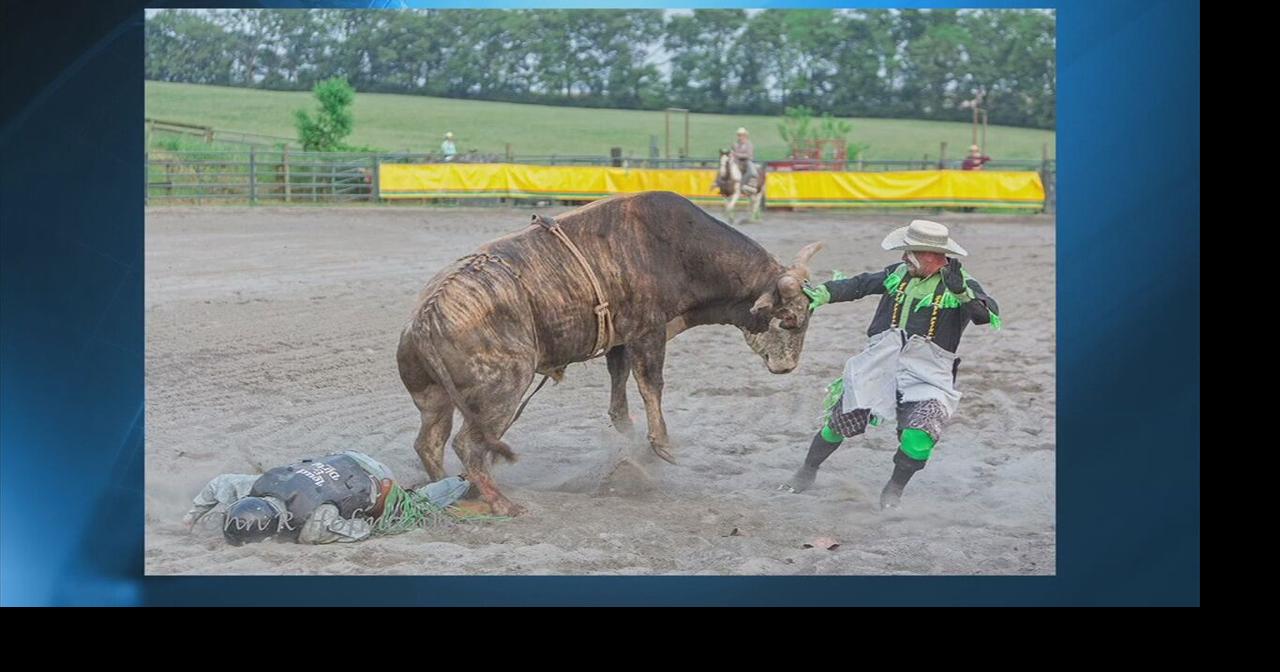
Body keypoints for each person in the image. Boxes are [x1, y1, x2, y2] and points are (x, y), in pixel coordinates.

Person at [780, 220, 1001, 509]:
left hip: (928, 373)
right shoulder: (897, 274)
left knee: (918, 439)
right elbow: (859, 285)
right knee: (837, 425)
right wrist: (820, 293)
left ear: (933, 256)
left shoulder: (962, 284)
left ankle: (893, 491)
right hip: (880, 363)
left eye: (910, 253)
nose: (903, 257)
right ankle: (807, 471)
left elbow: (986, 315)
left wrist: (961, 293)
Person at [182, 450, 471, 545]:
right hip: (342, 457)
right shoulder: (258, 485)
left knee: (407, 510)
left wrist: (366, 519)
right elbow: (219, 484)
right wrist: (192, 516)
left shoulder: (314, 524)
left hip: (376, 478)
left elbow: (361, 531)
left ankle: (463, 481)